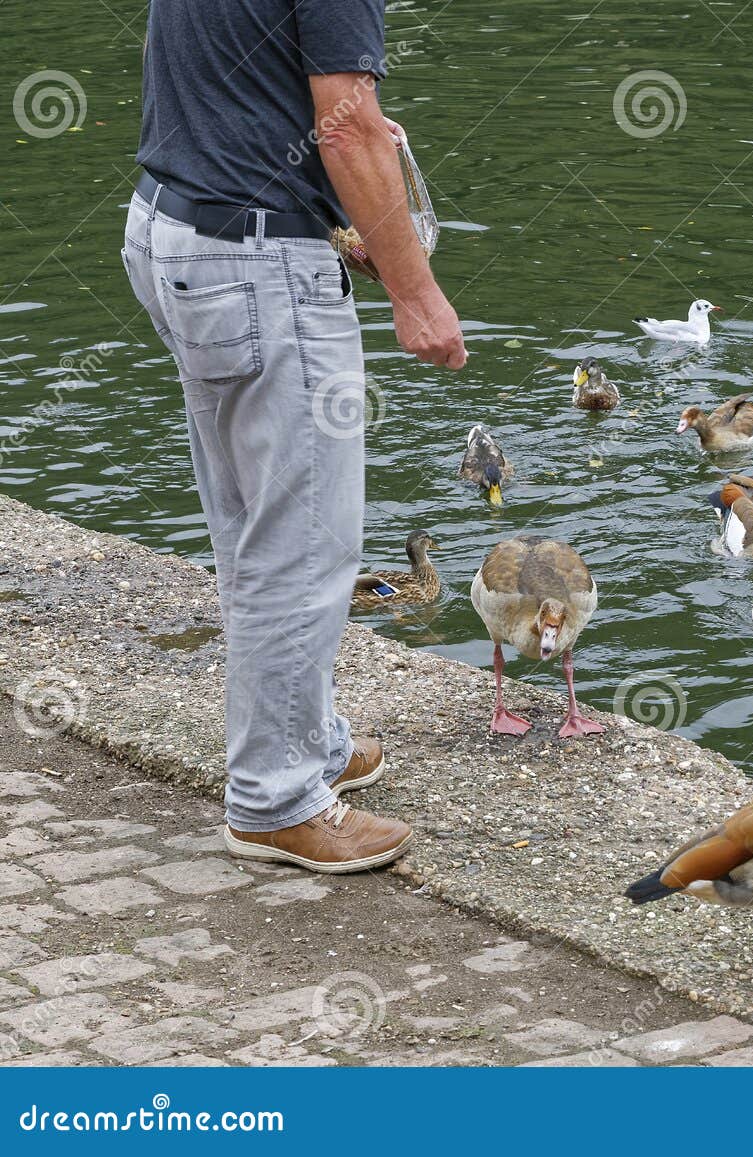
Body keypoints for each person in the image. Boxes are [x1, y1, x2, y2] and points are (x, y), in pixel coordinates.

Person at [121, 1, 466, 873]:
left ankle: (305, 739)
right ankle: (275, 800)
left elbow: (231, 79)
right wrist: (415, 291)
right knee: (305, 545)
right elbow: (348, 129)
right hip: (256, 261)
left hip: (175, 230)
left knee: (253, 530)